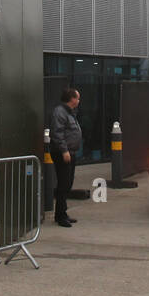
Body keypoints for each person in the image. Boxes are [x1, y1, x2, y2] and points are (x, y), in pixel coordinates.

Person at [48, 88, 83, 228]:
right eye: (78, 98)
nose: (79, 101)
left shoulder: (70, 113)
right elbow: (57, 133)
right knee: (63, 184)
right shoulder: (60, 112)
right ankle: (61, 217)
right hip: (63, 153)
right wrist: (64, 150)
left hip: (71, 152)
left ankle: (62, 213)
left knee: (68, 183)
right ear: (72, 99)